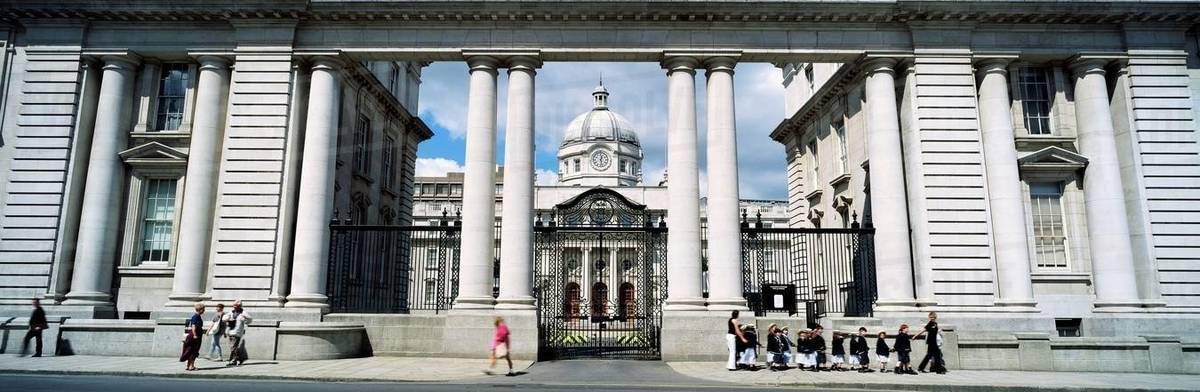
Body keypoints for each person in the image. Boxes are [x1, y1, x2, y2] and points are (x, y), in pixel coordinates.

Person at [226, 300, 252, 367]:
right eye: (233, 305)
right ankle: (238, 359)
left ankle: (233, 360)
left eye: (235, 306)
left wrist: (245, 321)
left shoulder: (243, 313)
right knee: (232, 347)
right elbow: (224, 318)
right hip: (230, 331)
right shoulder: (231, 312)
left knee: (233, 347)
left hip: (237, 332)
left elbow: (250, 319)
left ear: (239, 306)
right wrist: (227, 319)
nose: (234, 307)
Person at [180, 303, 205, 371]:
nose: (204, 311)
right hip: (195, 336)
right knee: (194, 350)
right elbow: (193, 326)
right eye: (203, 309)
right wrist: (195, 335)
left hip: (196, 335)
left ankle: (189, 365)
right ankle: (191, 366)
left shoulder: (197, 316)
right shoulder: (196, 317)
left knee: (191, 350)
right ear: (200, 309)